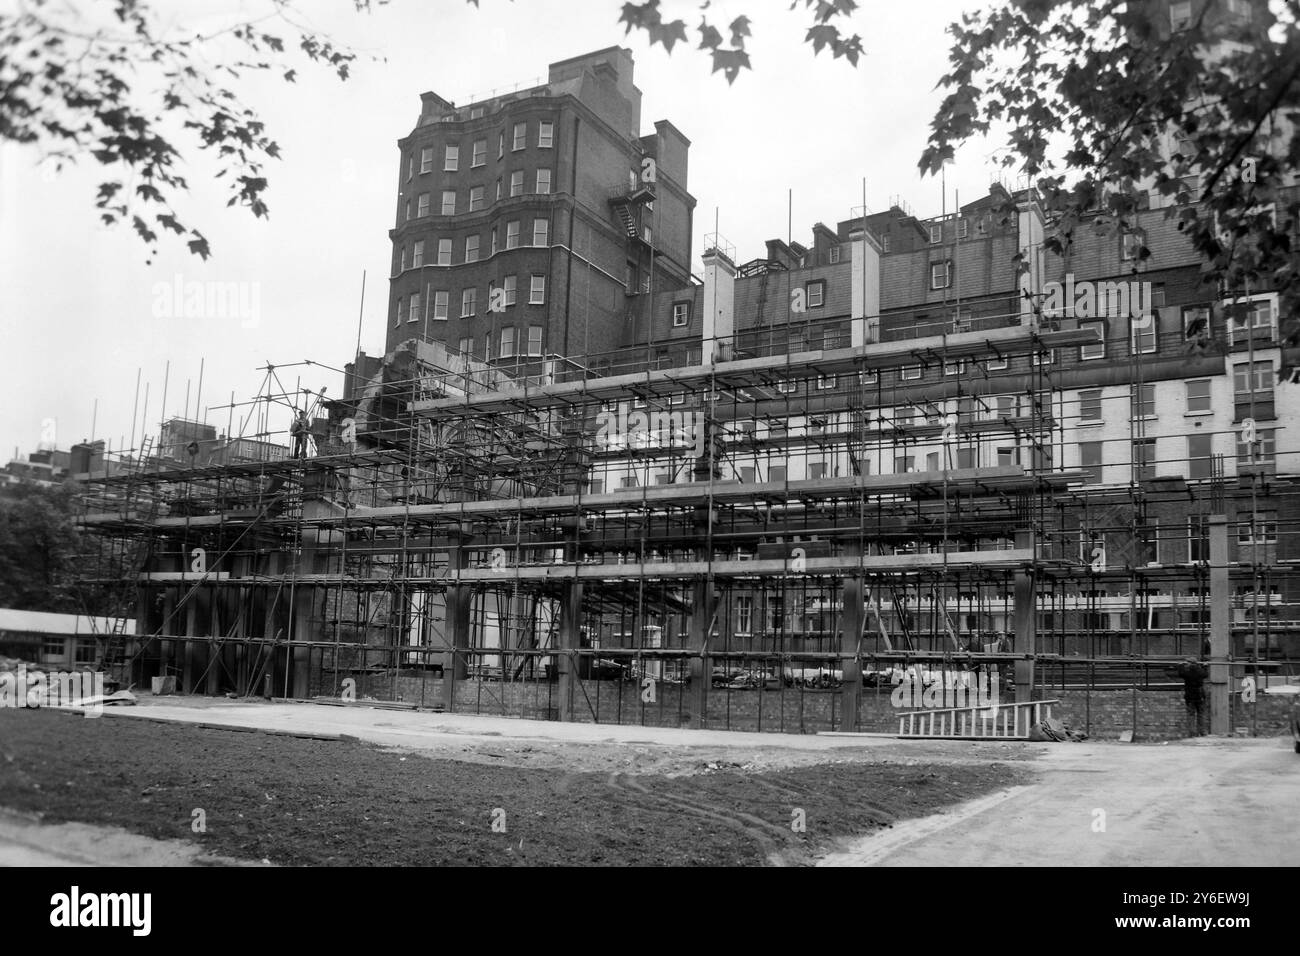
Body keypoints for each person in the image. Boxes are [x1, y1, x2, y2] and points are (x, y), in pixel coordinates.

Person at [1174, 657, 1209, 737]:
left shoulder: (1187, 672)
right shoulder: (1200, 671)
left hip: (1190, 696)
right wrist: (1205, 666)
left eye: (1187, 663)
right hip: (1200, 696)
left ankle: (1191, 733)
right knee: (1201, 714)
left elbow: (1181, 674)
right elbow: (1205, 674)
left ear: (1190, 663)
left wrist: (1180, 666)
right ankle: (1202, 732)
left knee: (1191, 715)